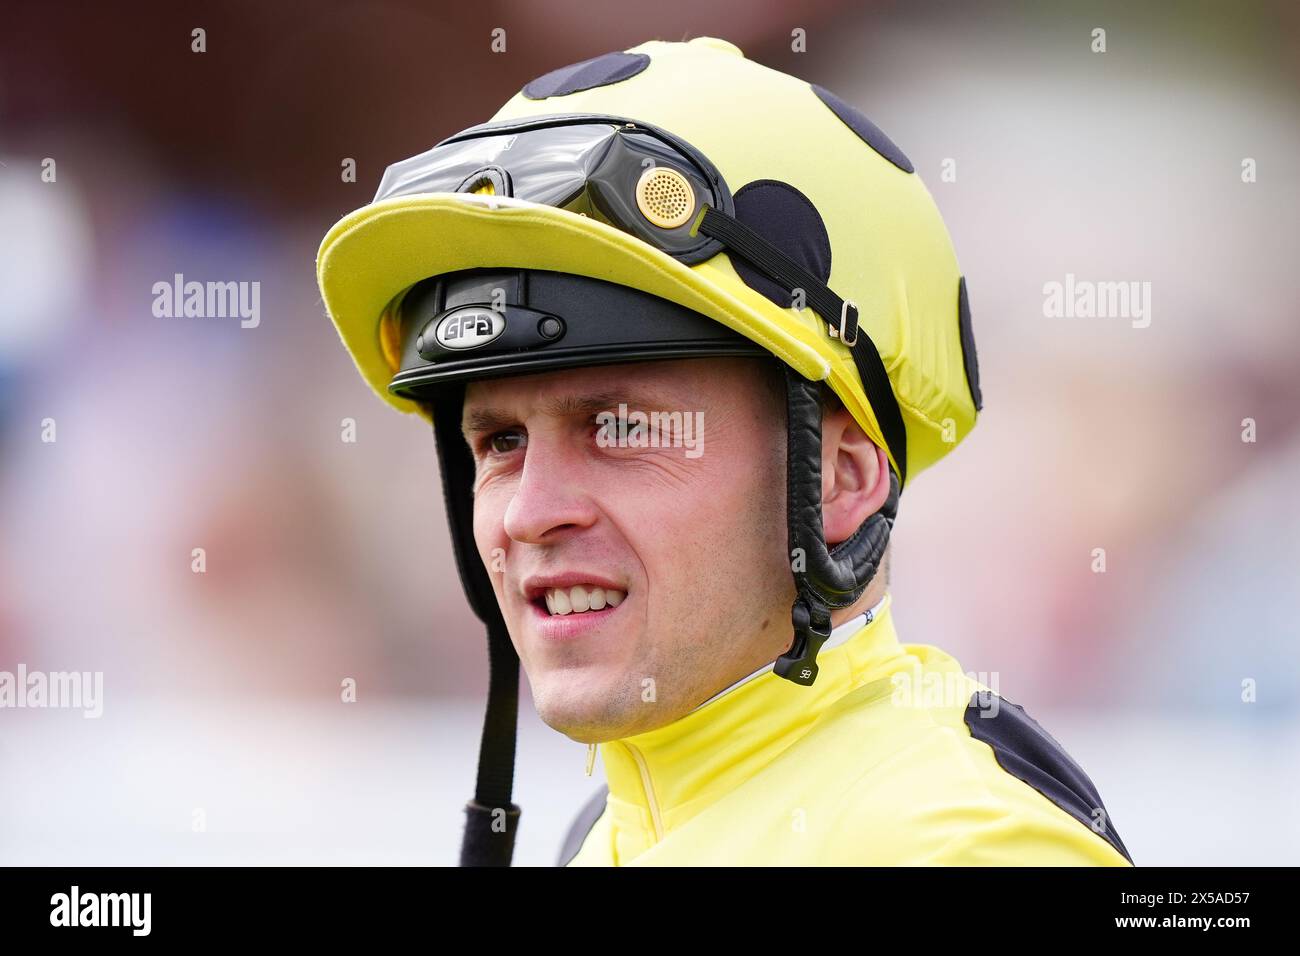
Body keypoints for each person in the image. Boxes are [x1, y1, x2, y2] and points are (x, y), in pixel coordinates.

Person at [316, 36, 1133, 866]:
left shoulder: (960, 847)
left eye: (620, 428)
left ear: (838, 481)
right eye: (502, 441)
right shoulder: (601, 836)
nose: (529, 513)